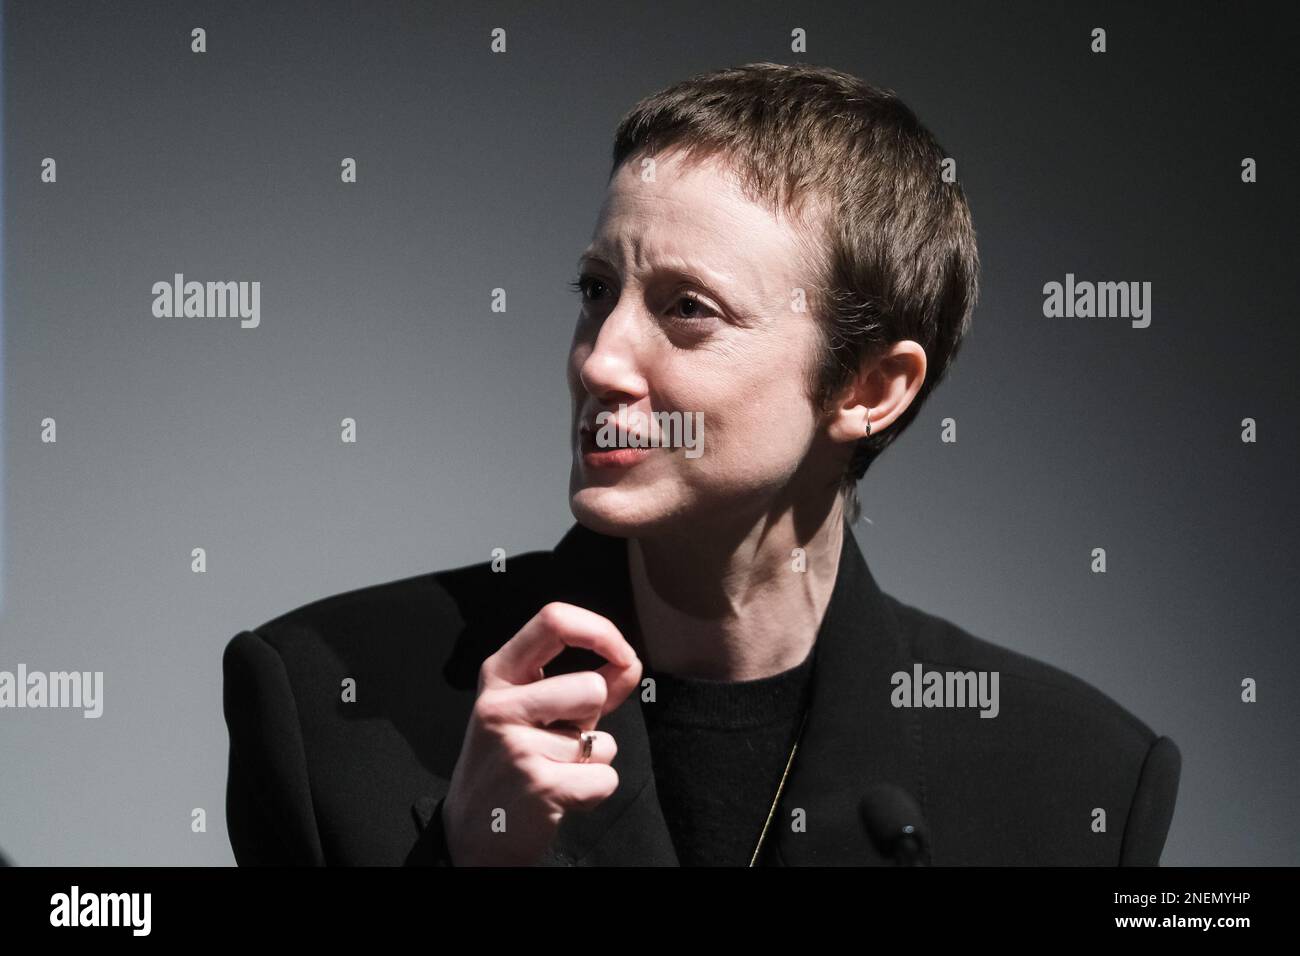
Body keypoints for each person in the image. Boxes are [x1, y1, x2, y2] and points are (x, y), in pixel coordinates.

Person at [222, 62, 1180, 866]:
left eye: (689, 309)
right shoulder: (327, 703)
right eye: (598, 290)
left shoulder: (1078, 779)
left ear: (870, 390)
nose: (600, 358)